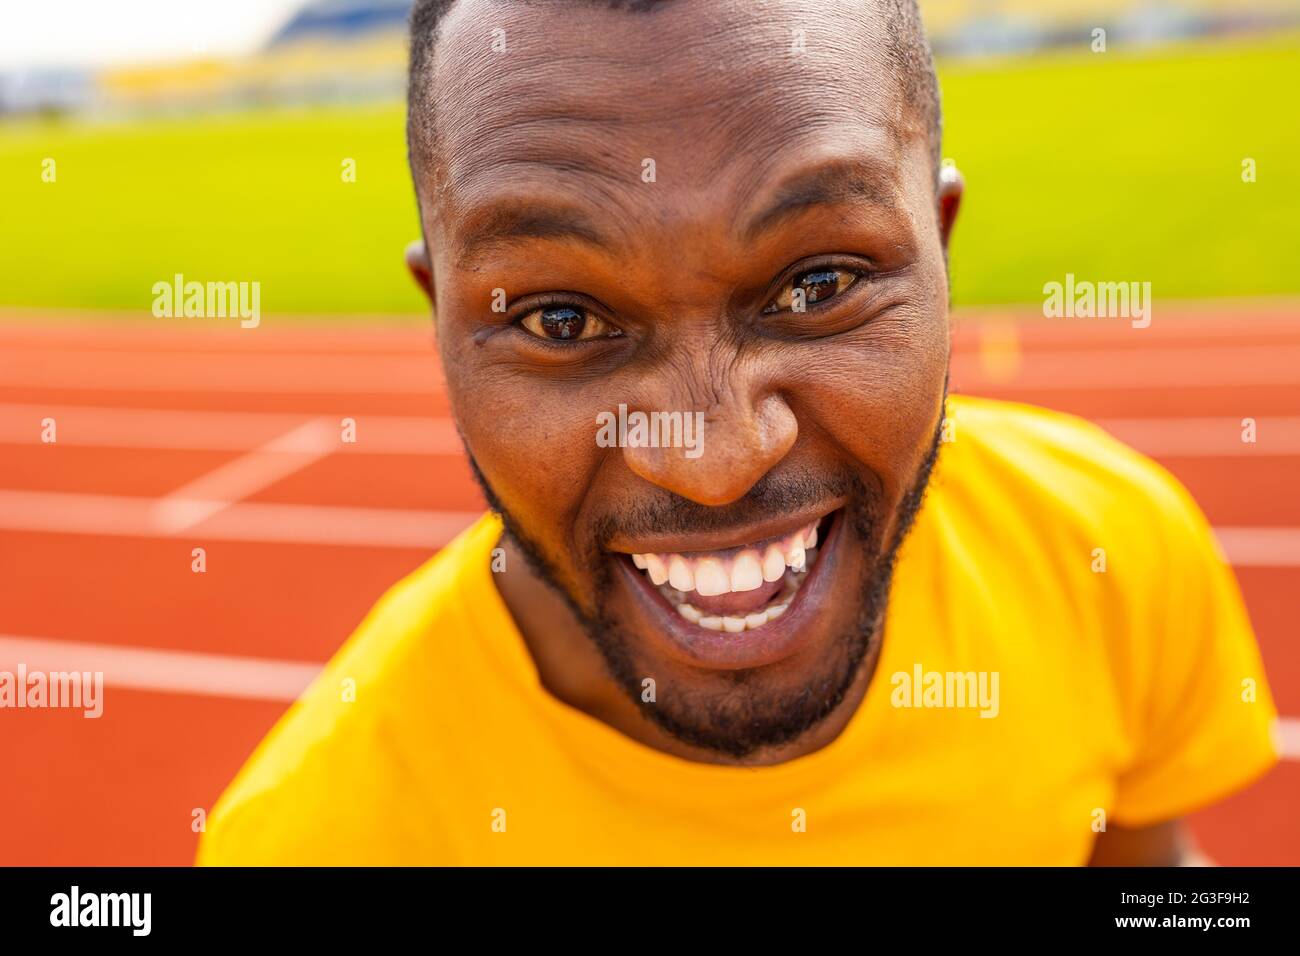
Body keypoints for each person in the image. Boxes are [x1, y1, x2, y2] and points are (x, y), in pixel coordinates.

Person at [199, 0, 1278, 865]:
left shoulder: (1106, 548)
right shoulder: (321, 836)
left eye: (818, 284)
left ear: (939, 252)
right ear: (440, 317)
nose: (714, 460)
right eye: (560, 320)